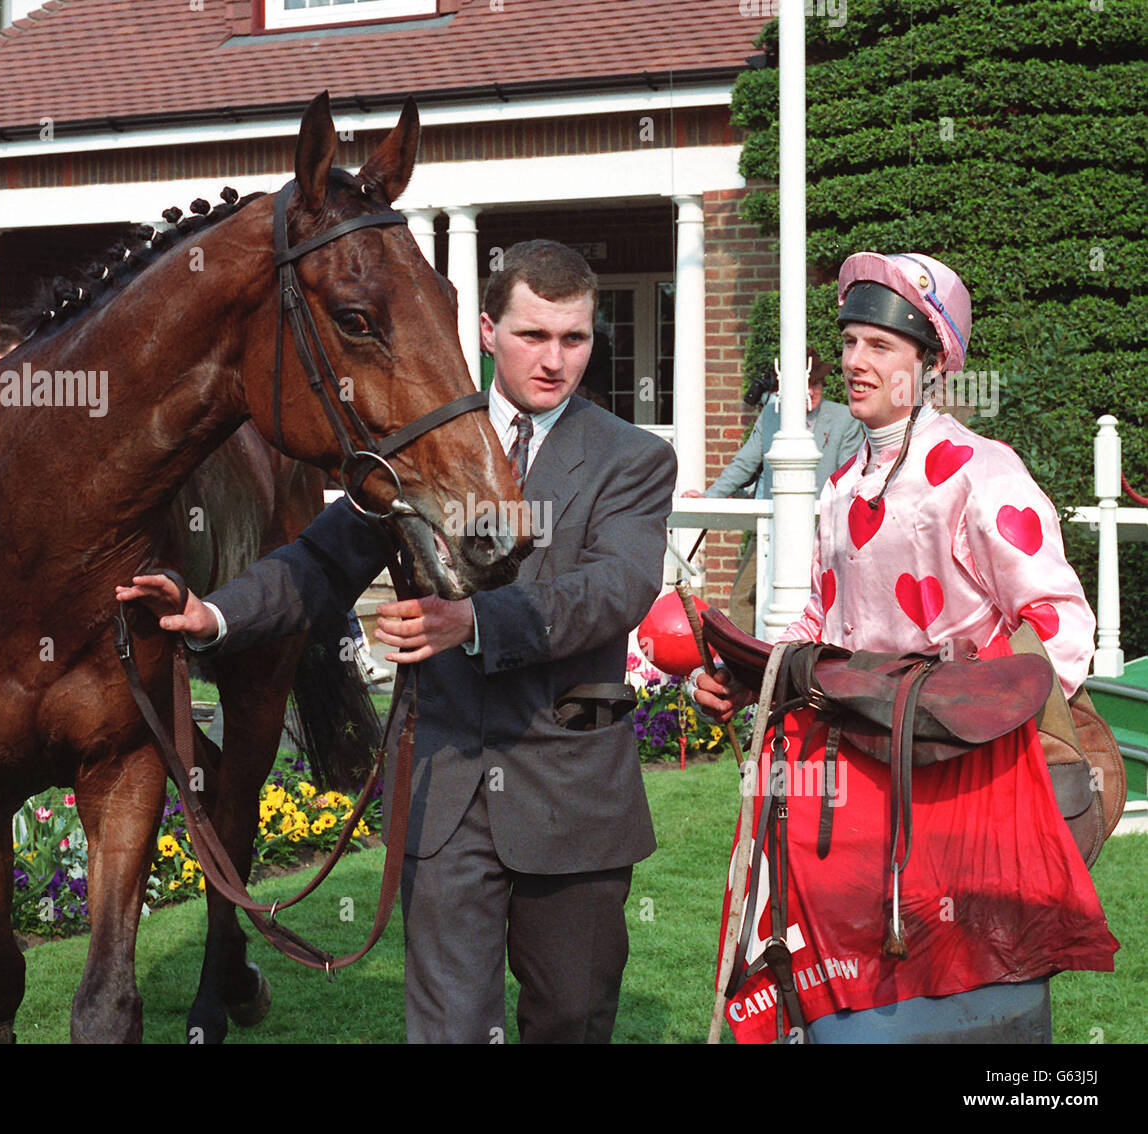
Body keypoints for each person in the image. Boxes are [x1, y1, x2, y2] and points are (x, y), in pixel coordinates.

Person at [122, 241, 677, 1044]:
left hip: (571, 799)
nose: (554, 360)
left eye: (574, 339)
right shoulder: (416, 449)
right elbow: (317, 563)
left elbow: (614, 591)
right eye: (532, 335)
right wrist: (215, 614)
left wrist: (477, 624)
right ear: (486, 331)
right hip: (444, 797)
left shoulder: (633, 458)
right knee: (449, 1029)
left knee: (570, 1020)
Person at [694, 251, 1117, 1043]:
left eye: (879, 347)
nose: (855, 360)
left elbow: (1061, 623)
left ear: (930, 365)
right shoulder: (840, 483)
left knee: (964, 989)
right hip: (857, 776)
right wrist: (748, 676)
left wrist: (964, 715)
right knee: (846, 995)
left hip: (967, 778)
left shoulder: (981, 472)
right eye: (850, 341)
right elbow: (815, 626)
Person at [683, 347, 862, 631]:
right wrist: (709, 496)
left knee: (822, 600)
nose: (811, 391)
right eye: (804, 385)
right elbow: (744, 463)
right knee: (743, 595)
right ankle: (743, 667)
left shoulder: (844, 419)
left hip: (821, 529)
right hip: (770, 527)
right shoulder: (770, 415)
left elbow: (846, 479)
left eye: (815, 384)